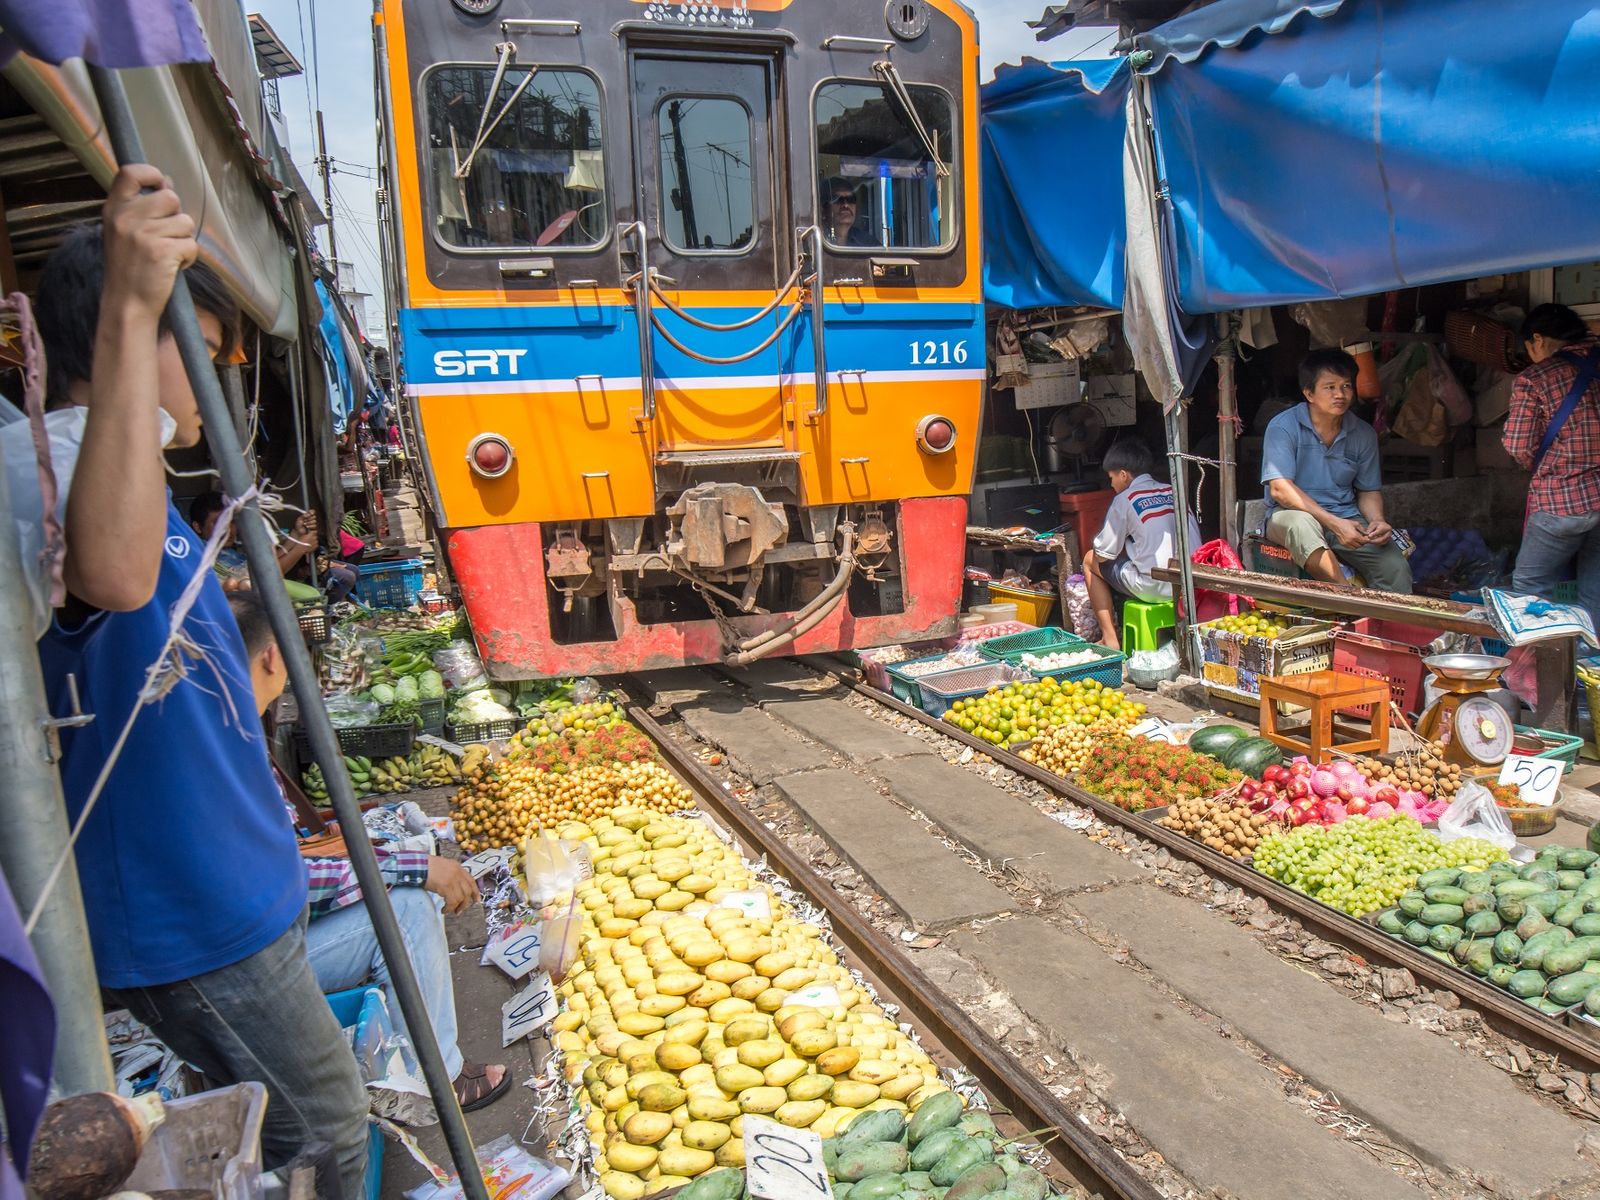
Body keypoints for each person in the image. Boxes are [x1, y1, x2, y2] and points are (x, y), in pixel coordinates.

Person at [32, 211, 370, 1196]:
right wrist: (138, 310)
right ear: (131, 338)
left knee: (262, 1132)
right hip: (190, 917)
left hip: (229, 897)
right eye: (207, 352)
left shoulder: (131, 472)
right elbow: (110, 573)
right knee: (331, 1136)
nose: (220, 380)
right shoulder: (60, 469)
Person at [228, 591, 512, 1112]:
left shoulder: (224, 731)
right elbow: (286, 881)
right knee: (405, 908)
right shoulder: (227, 750)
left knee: (409, 891)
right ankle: (441, 1081)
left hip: (247, 941)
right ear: (272, 657)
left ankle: (423, 1058)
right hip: (239, 965)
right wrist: (414, 866)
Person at [1260, 348, 1412, 593]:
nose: (1340, 395)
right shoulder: (1283, 427)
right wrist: (1334, 523)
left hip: (1346, 516)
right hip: (1289, 515)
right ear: (1309, 393)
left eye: (1346, 386)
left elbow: (1368, 491)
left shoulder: (1363, 434)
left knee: (1394, 567)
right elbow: (1280, 490)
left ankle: (1391, 628)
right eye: (1330, 387)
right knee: (1302, 525)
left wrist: (1377, 521)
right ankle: (1348, 600)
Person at [1502, 303, 1599, 629]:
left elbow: (1518, 446)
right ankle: (1591, 667)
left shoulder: (1535, 378)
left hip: (1561, 502)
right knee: (1595, 593)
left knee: (1529, 590)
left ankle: (1534, 675)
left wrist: (1545, 464)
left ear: (1538, 339)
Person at [1082, 438, 1200, 650]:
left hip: (1156, 587)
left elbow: (1103, 554)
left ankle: (1110, 638)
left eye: (1112, 478)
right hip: (1190, 586)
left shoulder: (1126, 499)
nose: (1111, 484)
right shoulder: (1174, 491)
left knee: (1089, 560)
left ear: (1124, 475)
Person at [824, 178, 874, 247]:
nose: (846, 205)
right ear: (824, 208)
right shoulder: (815, 239)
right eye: (838, 200)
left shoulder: (868, 243)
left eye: (851, 199)